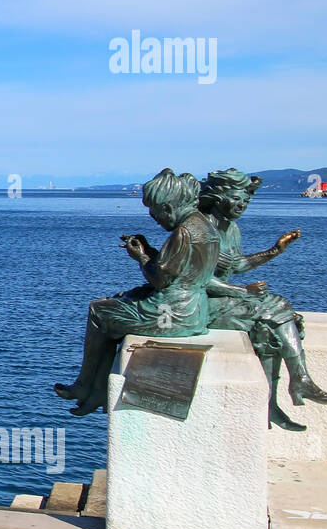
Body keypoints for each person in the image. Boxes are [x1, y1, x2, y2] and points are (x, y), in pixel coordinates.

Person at [55, 168, 219, 416]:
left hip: (171, 314)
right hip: (194, 309)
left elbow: (161, 279)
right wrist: (152, 250)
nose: (153, 217)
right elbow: (180, 270)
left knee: (99, 312)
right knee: (116, 305)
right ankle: (97, 390)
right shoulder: (204, 226)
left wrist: (140, 256)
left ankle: (85, 385)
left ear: (168, 207)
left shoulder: (184, 233)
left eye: (155, 210)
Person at [200, 168, 327, 432]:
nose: (241, 206)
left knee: (278, 311)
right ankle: (294, 386)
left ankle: (288, 389)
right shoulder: (201, 230)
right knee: (272, 315)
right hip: (204, 303)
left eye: (245, 201)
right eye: (236, 199)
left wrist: (276, 249)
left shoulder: (231, 230)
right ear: (218, 198)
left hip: (226, 297)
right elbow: (198, 279)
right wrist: (243, 293)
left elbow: (237, 264)